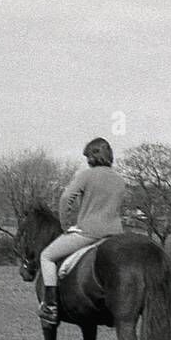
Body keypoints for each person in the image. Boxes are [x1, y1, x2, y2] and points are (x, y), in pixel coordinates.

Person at [38, 137, 126, 325]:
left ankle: (51, 307)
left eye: (88, 156)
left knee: (46, 257)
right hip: (116, 235)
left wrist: (65, 225)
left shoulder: (86, 175)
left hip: (89, 232)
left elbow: (65, 199)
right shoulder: (120, 180)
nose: (87, 160)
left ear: (92, 157)